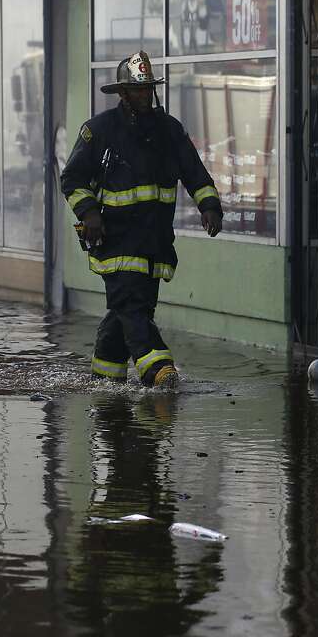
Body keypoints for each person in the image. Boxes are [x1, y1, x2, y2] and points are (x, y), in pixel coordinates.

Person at [60, 51, 223, 388]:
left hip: (155, 241)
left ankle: (106, 379)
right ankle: (159, 370)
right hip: (115, 240)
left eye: (148, 88)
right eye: (137, 90)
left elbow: (194, 172)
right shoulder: (99, 131)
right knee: (131, 306)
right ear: (123, 93)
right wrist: (89, 213)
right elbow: (72, 178)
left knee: (132, 310)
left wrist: (209, 206)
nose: (145, 95)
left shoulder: (169, 130)